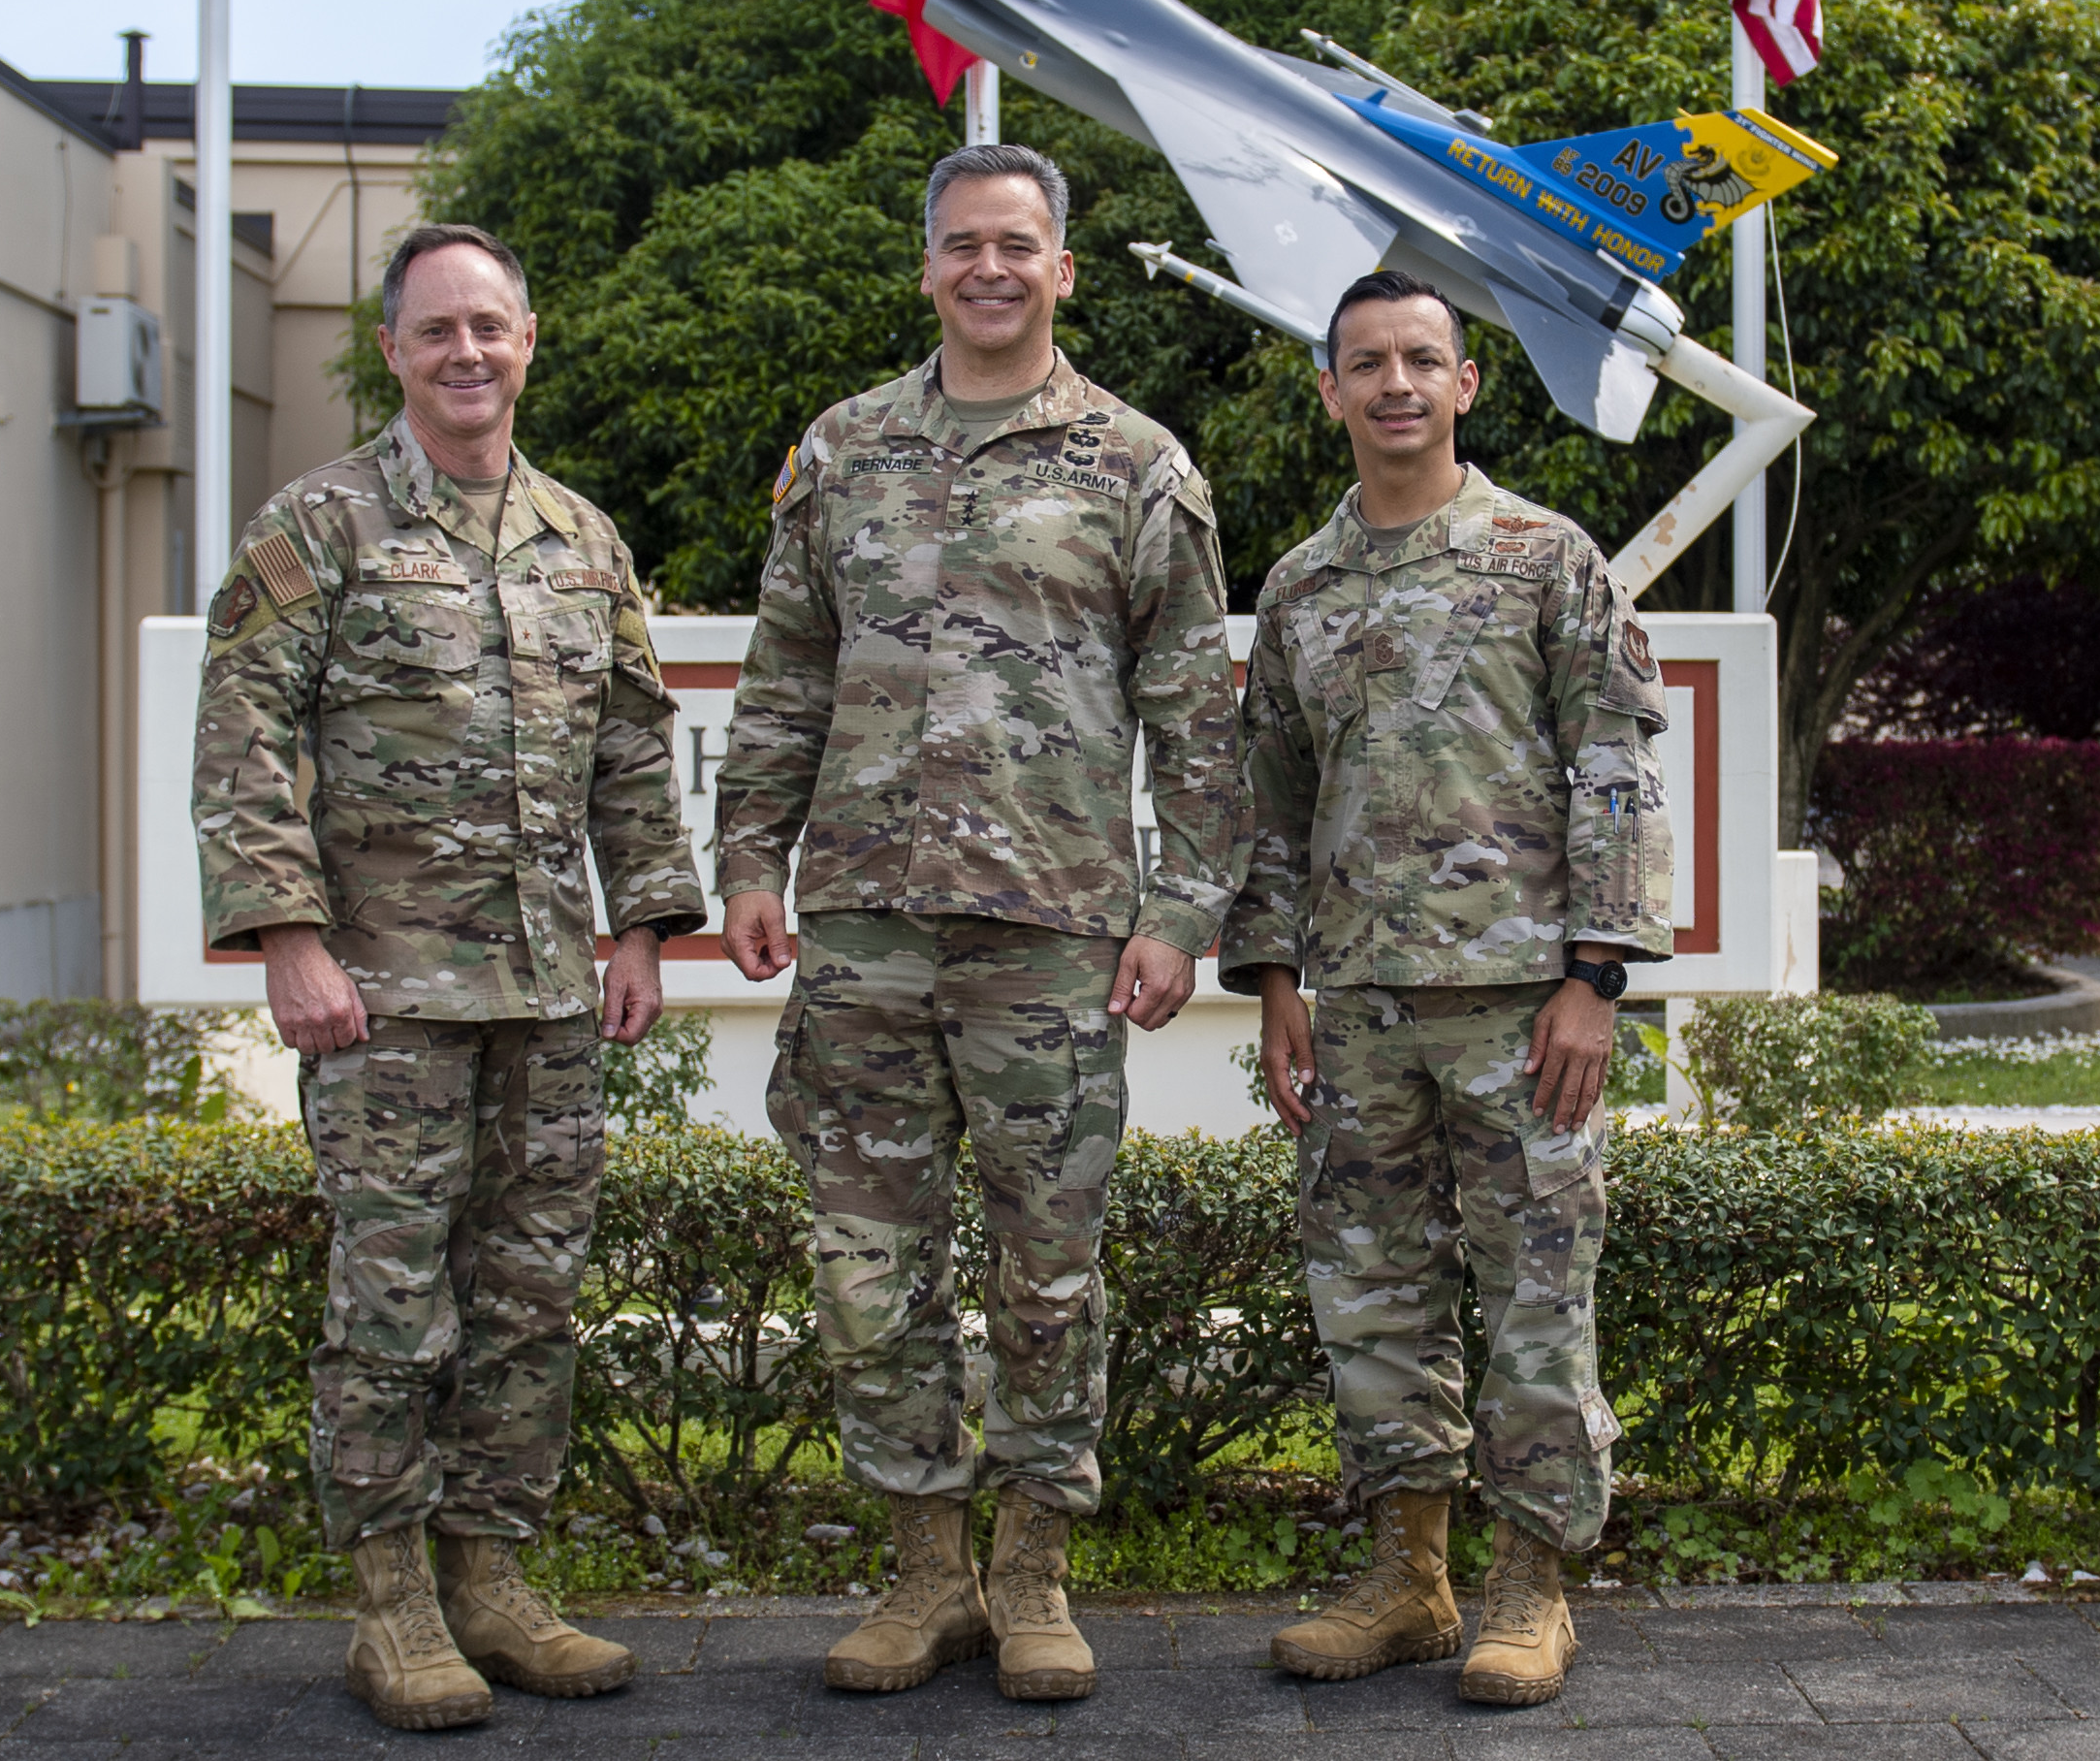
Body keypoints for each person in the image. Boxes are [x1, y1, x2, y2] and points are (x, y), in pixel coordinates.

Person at [713, 144, 1246, 1702]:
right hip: (865, 928)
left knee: (1047, 1271)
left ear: (1063, 268)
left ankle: (1031, 1572)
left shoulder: (1138, 464)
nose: (990, 269)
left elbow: (1192, 714)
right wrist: (748, 859)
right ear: (929, 265)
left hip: (1048, 929)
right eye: (964, 244)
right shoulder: (843, 451)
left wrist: (1181, 908)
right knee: (866, 1269)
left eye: (1018, 245)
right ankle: (924, 1572)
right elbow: (785, 672)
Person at [194, 223, 706, 1733]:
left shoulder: (581, 538)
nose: (467, 353)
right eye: (437, 331)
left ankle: (491, 1578)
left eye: (490, 326)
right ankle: (393, 1604)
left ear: (528, 339)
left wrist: (640, 928)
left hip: (549, 992)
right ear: (393, 353)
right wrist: (286, 937)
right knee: (391, 1303)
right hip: (387, 995)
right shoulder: (320, 526)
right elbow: (243, 738)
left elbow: (630, 746)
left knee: (530, 1301)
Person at [1221, 270, 1672, 1708]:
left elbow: (1615, 767)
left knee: (1537, 1292)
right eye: (1367, 363)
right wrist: (1274, 980)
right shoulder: (1299, 587)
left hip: (1520, 1004)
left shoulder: (1545, 558)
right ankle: (1408, 1578)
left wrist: (1596, 978)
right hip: (1356, 1004)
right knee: (1369, 1294)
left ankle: (1533, 1583)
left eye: (1424, 359)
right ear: (1330, 391)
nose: (1397, 384)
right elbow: (1270, 800)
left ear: (1467, 384)